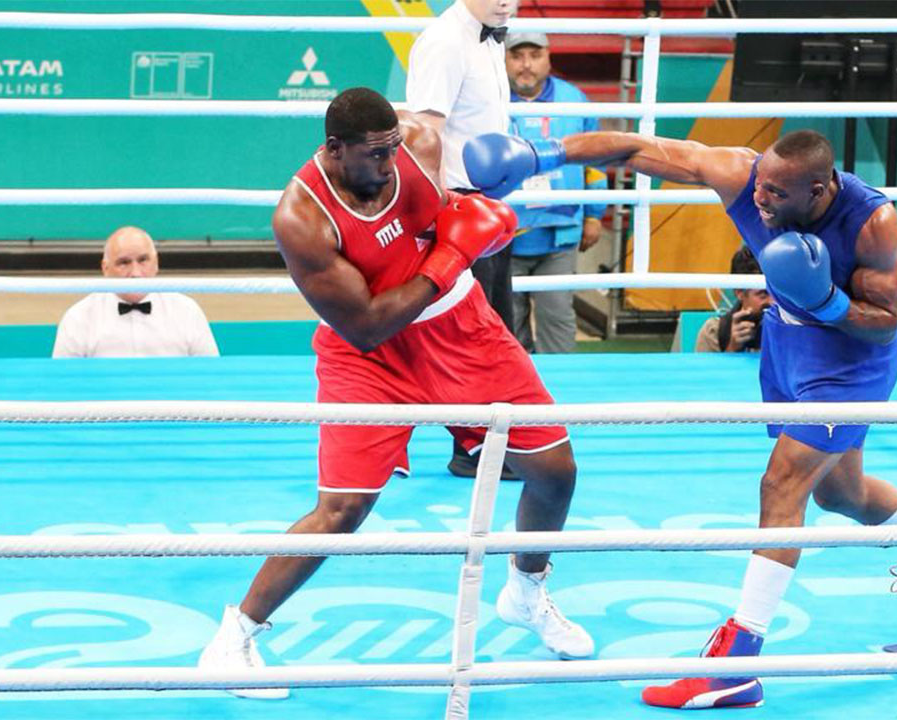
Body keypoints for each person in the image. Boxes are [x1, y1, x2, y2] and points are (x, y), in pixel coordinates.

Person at [463, 128, 897, 709]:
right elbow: (634, 148)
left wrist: (826, 301)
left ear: (818, 190)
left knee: (782, 485)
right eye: (760, 187)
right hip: (789, 349)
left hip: (851, 364)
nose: (760, 200)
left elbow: (888, 320)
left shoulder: (872, 222)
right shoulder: (742, 175)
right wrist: (544, 155)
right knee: (841, 495)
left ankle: (736, 663)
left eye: (775, 194)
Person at [197, 88, 594, 700]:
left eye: (393, 150)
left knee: (554, 470)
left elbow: (442, 218)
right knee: (342, 511)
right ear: (335, 149)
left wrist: (467, 212)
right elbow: (367, 324)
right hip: (369, 356)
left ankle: (526, 590)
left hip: (463, 330)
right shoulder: (300, 219)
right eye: (374, 155)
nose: (388, 165)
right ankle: (235, 636)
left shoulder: (420, 145)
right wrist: (454, 253)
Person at [405, 0, 522, 477]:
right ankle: (472, 445)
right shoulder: (444, 42)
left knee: (494, 327)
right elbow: (423, 133)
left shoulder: (491, 35)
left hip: (489, 205)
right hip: (457, 207)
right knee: (465, 332)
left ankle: (486, 440)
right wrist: (438, 213)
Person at [505, 31, 608, 354]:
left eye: (534, 56)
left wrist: (594, 215)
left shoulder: (574, 100)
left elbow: (596, 160)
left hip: (559, 232)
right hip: (504, 233)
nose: (526, 65)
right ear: (503, 59)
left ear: (548, 57)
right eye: (517, 56)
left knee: (558, 324)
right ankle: (513, 399)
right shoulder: (487, 99)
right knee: (506, 330)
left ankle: (560, 401)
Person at [52, 226, 219, 358]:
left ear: (156, 263)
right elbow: (61, 384)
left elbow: (212, 376)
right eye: (124, 263)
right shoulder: (79, 317)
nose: (135, 273)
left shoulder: (187, 311)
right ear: (105, 268)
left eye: (143, 260)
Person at [695, 246, 773, 353]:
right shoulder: (714, 332)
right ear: (740, 293)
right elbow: (707, 370)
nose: (773, 302)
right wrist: (733, 347)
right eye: (763, 294)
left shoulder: (794, 326)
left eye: (778, 294)